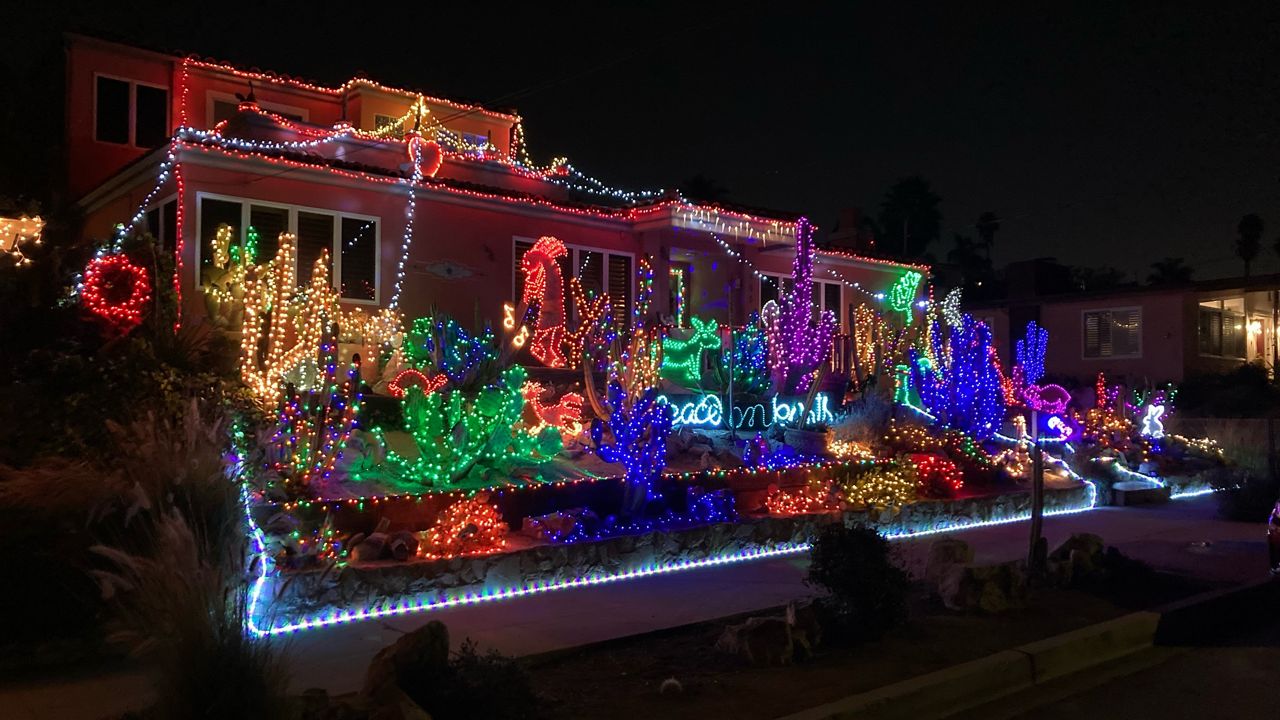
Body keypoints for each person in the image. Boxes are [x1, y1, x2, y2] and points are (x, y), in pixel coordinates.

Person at [1269, 498, 1280, 575]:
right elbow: (1270, 523)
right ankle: (1274, 567)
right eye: (1278, 506)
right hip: (1275, 536)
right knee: (1274, 550)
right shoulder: (1274, 513)